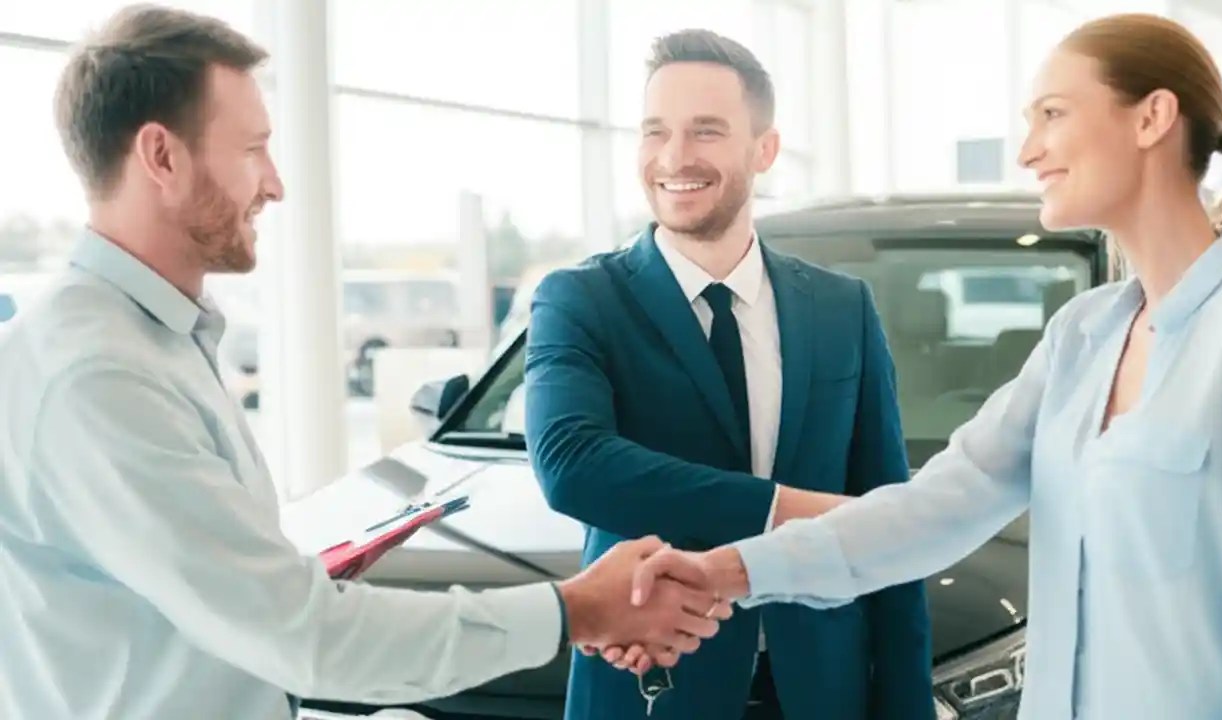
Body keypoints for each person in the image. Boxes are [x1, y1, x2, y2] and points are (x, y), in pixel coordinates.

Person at [0, 7, 729, 720]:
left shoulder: (146, 342)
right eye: (253, 149)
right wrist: (578, 608)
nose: (276, 184)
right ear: (161, 155)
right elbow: (306, 639)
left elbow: (207, 599)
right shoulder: (97, 377)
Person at [622, 12, 1222, 720]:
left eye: (1052, 114)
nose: (1028, 151)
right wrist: (727, 570)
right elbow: (930, 510)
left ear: (1152, 117)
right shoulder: (1082, 337)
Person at [524, 28, 933, 720]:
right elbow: (572, 464)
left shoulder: (842, 310)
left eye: (706, 131)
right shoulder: (580, 299)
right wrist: (782, 509)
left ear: (764, 149)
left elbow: (890, 531)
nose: (674, 157)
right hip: (651, 694)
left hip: (820, 692)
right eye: (655, 131)